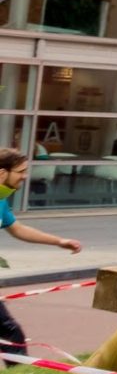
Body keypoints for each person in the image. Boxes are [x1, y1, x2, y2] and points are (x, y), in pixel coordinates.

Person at [0, 148, 83, 356]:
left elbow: (17, 229)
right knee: (10, 333)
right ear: (2, 173)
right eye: (21, 171)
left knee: (11, 334)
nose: (25, 176)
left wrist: (59, 241)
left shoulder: (1, 200)